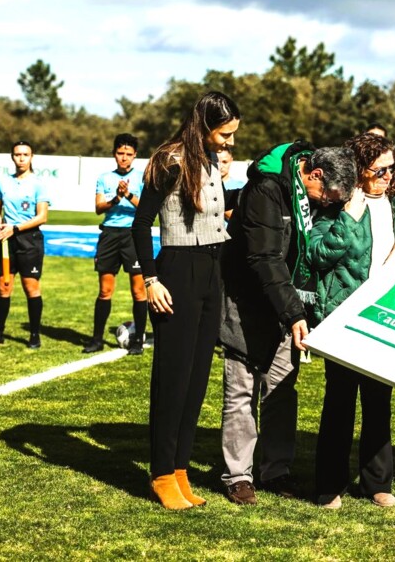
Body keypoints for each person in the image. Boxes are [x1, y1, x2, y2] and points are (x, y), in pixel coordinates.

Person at [219, 141, 356, 506]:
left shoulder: (309, 191)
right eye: (328, 194)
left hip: (287, 303)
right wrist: (294, 312)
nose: (327, 202)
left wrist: (297, 309)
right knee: (241, 390)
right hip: (247, 300)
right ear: (314, 174)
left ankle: (275, 470)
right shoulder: (266, 189)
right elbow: (264, 257)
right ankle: (238, 476)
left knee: (281, 390)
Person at [131, 91, 240, 510]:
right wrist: (151, 279)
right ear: (205, 125)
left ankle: (180, 470)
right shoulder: (169, 160)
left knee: (196, 382)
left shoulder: (212, 161)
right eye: (224, 133)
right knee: (172, 380)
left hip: (212, 270)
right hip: (176, 269)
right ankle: (160, 474)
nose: (229, 142)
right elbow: (141, 225)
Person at [309, 133, 395, 509]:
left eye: (391, 167)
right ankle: (329, 485)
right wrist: (349, 217)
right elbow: (319, 254)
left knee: (378, 402)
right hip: (343, 316)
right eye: (379, 169)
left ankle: (377, 482)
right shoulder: (336, 203)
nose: (387, 175)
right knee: (339, 404)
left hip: (385, 315)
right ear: (360, 169)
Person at [0, 141, 50, 350]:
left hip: (29, 241)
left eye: (25, 154)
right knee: (4, 287)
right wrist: (0, 224)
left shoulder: (39, 184)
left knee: (31, 287)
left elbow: (42, 217)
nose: (21, 158)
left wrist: (16, 228)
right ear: (12, 157)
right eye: (17, 154)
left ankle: (34, 335)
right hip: (6, 240)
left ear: (32, 157)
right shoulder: (3, 182)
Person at [85, 133, 146, 355]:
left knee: (139, 292)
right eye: (120, 153)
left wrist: (128, 194)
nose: (124, 158)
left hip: (133, 236)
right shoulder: (104, 177)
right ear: (114, 154)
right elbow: (99, 208)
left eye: (128, 154)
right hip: (109, 235)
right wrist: (116, 199)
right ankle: (96, 339)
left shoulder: (142, 177)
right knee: (105, 290)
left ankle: (138, 340)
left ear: (135, 156)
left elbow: (146, 209)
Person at [217, 146, 242, 220]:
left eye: (224, 162)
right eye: (216, 161)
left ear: (231, 160)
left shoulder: (241, 186)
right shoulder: (205, 186)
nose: (220, 166)